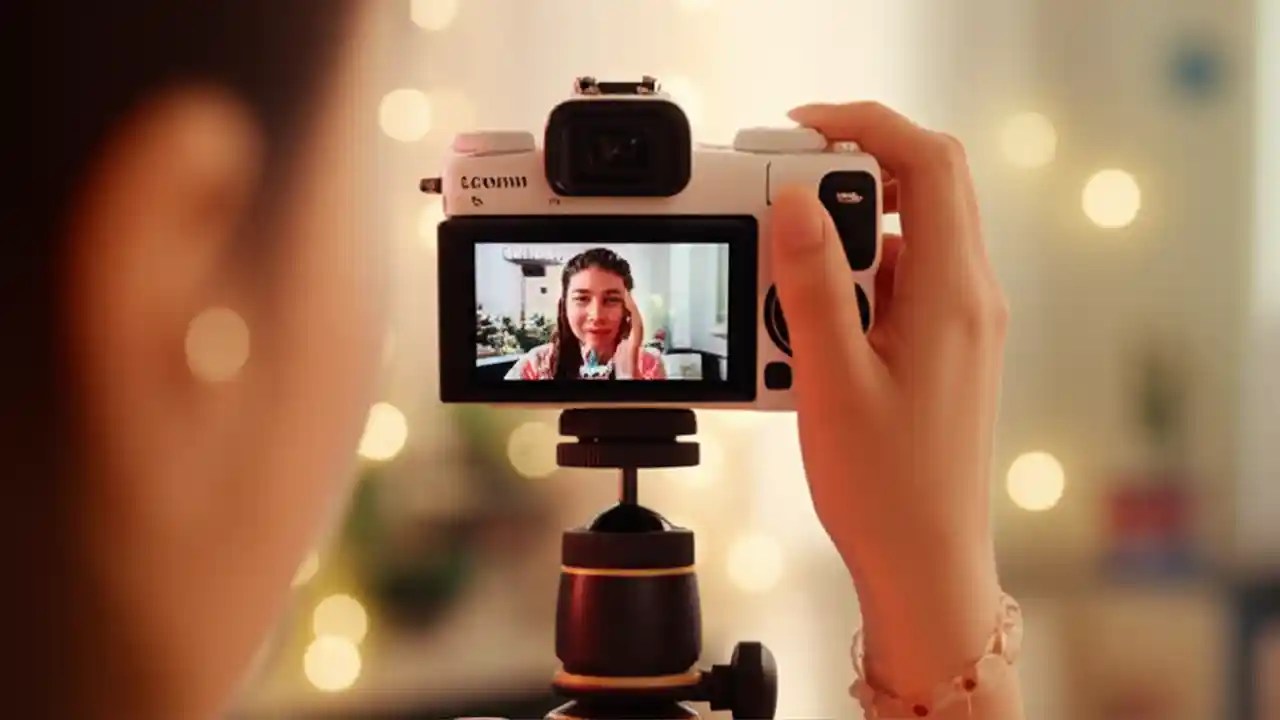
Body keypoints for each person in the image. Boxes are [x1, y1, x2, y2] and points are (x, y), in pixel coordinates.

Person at [5, 2, 1024, 718]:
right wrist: (937, 625)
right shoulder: (535, 368)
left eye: (609, 299)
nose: (589, 318)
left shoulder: (653, 359)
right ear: (169, 287)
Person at [505, 248, 668, 381]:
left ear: (627, 308)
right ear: (564, 306)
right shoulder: (536, 365)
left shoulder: (648, 365)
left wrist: (629, 375)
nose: (597, 315)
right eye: (582, 299)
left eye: (611, 300)